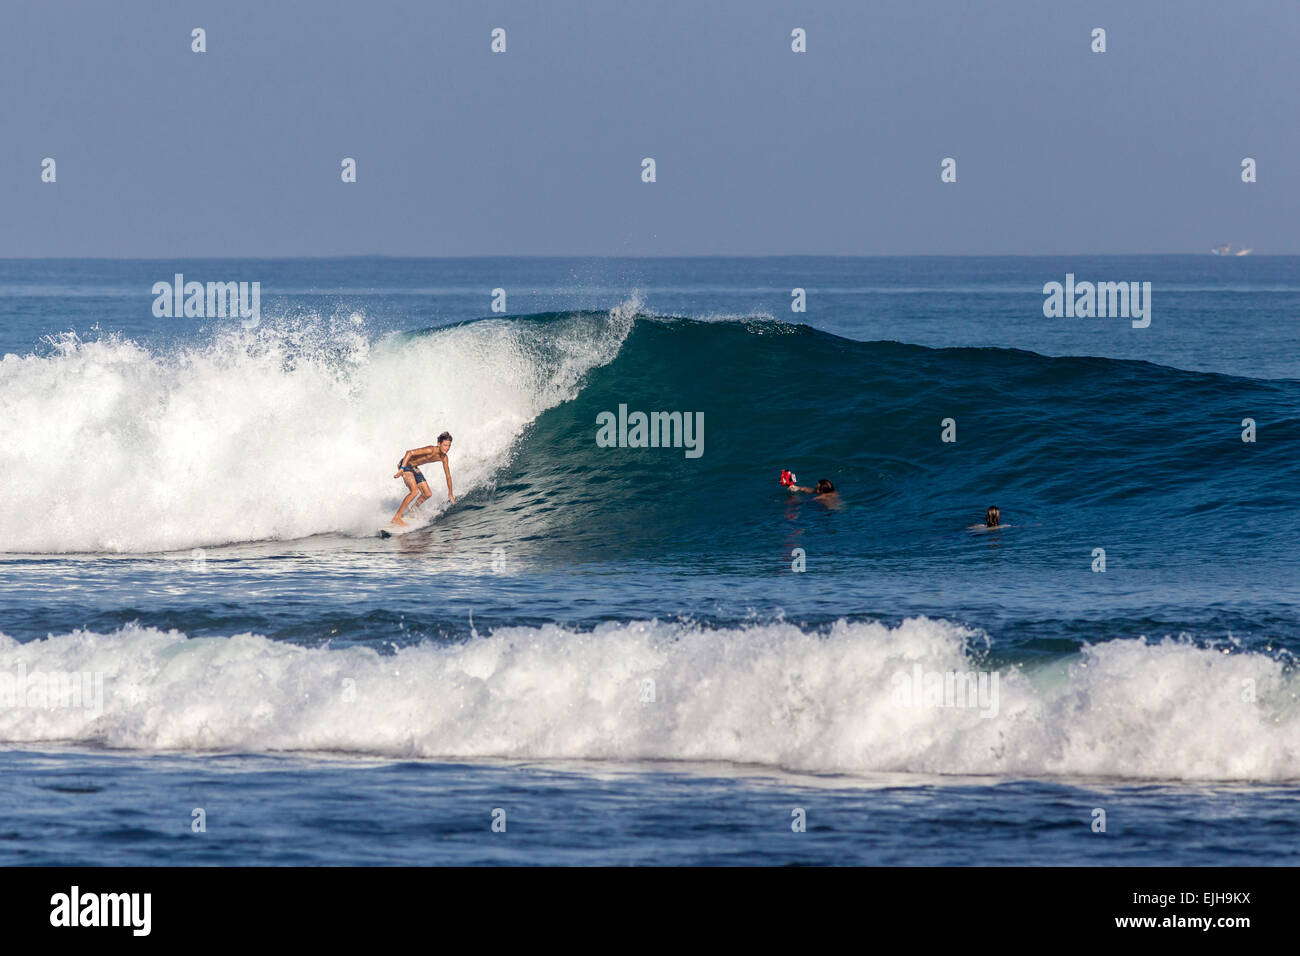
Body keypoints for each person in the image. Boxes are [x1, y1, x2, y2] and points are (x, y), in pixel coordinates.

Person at [391, 431, 454, 526]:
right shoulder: (430, 450)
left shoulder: (444, 458)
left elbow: (448, 476)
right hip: (405, 464)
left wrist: (450, 493)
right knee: (414, 491)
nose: (447, 448)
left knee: (427, 493)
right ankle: (397, 517)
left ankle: (413, 510)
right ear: (439, 443)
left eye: (449, 446)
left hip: (414, 467)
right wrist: (402, 469)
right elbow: (409, 452)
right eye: (445, 445)